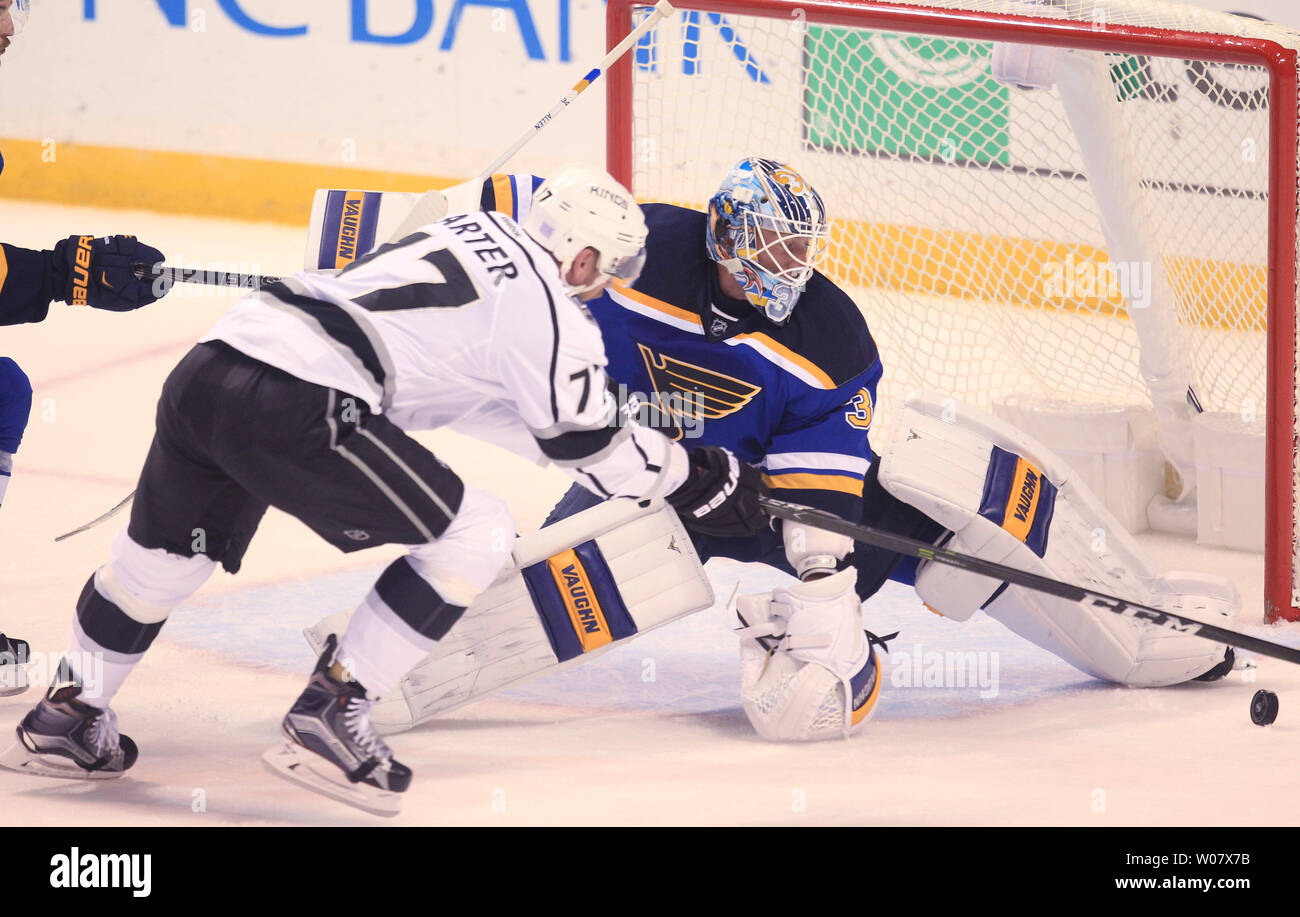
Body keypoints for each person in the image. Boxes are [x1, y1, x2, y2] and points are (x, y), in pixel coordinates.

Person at [380, 156, 1237, 743]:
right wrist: (390, 239)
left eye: (800, 247)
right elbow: (529, 204)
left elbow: (821, 474)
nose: (788, 263)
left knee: (958, 538)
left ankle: (1136, 631)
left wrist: (827, 581)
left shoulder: (829, 334)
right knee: (563, 577)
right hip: (638, 475)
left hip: (758, 496)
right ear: (725, 235)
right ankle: (380, 674)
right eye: (770, 245)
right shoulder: (645, 250)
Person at [1, 165, 767, 814]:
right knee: (476, 532)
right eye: (612, 269)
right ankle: (334, 707)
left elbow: (511, 415)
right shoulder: (548, 310)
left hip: (213, 366)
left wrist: (648, 456)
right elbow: (583, 438)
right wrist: (691, 477)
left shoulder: (467, 233)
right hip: (302, 404)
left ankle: (68, 713)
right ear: (583, 255)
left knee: (160, 564)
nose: (608, 287)